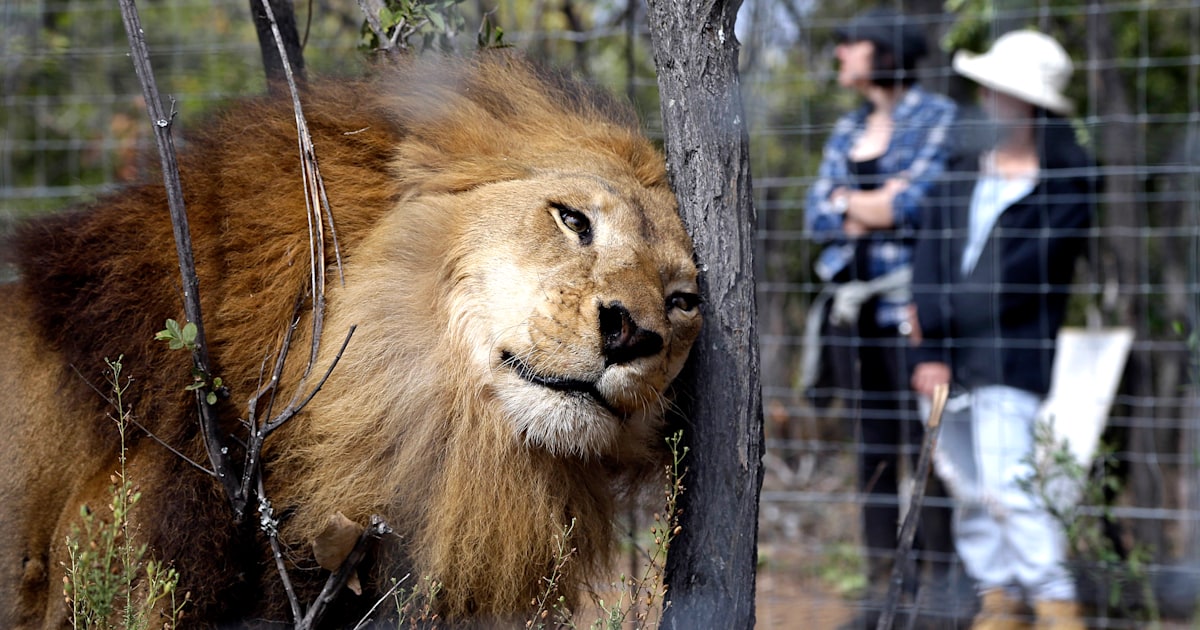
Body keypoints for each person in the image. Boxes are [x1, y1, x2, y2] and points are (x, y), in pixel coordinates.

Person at [908, 29, 1097, 630]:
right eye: (986, 89)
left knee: (1009, 487)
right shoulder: (960, 171)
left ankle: (1056, 603)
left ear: (1029, 103)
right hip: (942, 360)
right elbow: (928, 263)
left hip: (1011, 358)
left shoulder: (1068, 185)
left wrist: (934, 324)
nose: (986, 100)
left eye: (999, 90)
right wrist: (932, 347)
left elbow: (1015, 281)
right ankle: (1001, 601)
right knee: (965, 487)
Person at [802, 6, 961, 625]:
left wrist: (854, 202)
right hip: (853, 319)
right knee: (871, 452)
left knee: (931, 454)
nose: (840, 53)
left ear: (887, 54)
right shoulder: (846, 129)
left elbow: (920, 206)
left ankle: (940, 595)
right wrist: (872, 202)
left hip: (915, 317)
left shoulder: (939, 119)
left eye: (852, 44)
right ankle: (882, 593)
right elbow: (818, 213)